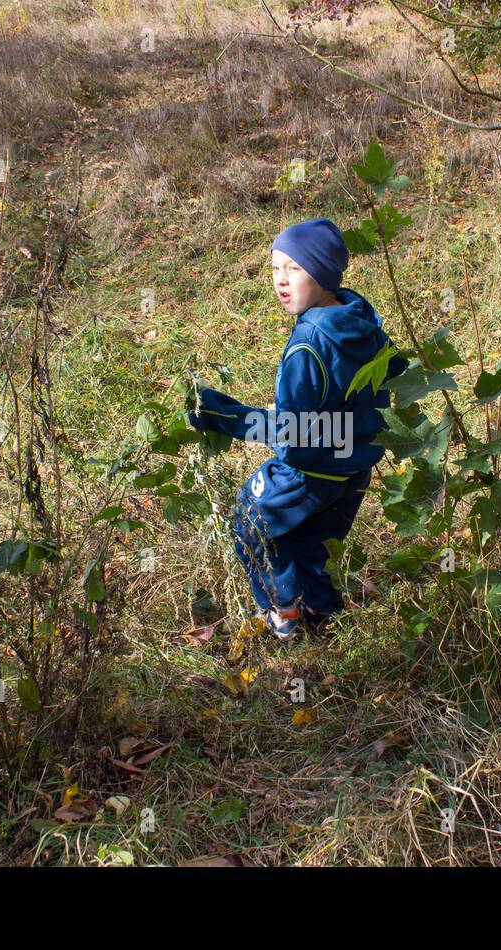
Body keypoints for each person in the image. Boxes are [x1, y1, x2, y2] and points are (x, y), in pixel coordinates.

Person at [188, 218, 407, 638]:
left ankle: (282, 613)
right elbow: (395, 368)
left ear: (322, 272)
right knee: (312, 544)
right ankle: (325, 618)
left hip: (312, 470)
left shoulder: (307, 345)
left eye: (295, 268)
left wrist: (218, 413)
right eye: (275, 268)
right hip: (354, 468)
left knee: (251, 520)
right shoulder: (360, 318)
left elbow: (292, 433)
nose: (281, 281)